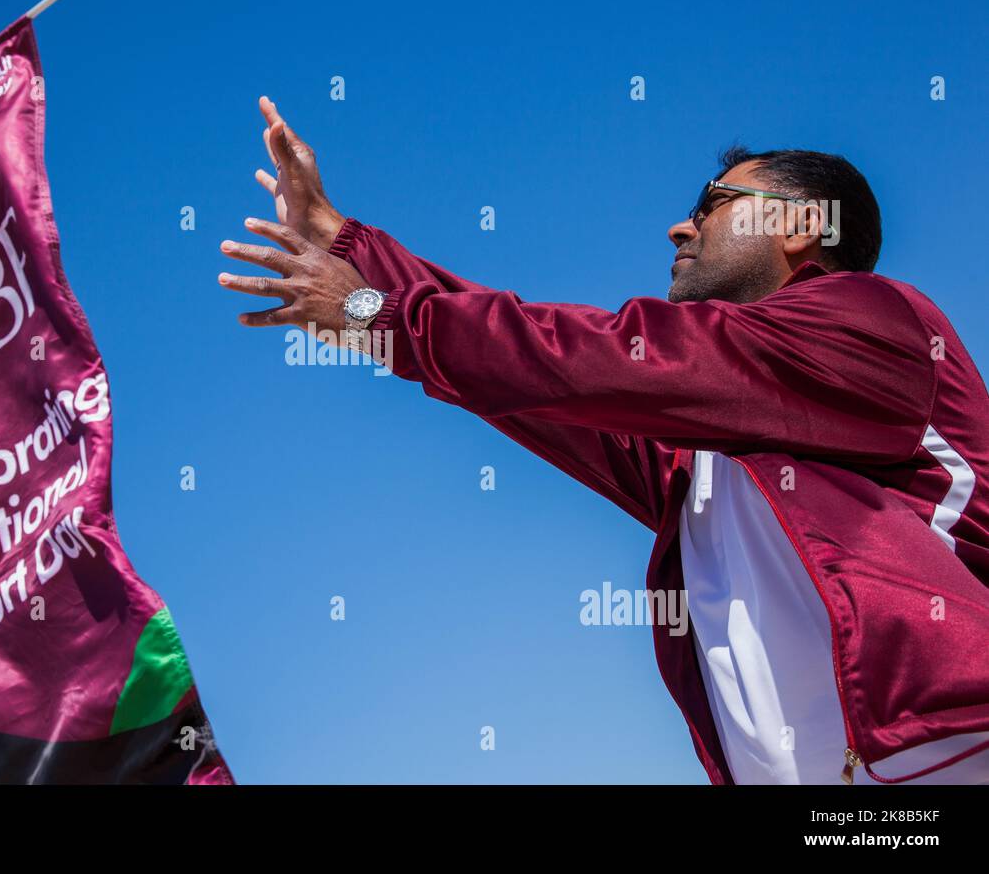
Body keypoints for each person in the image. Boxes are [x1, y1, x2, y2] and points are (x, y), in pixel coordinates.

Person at [218, 97, 989, 784]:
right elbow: (539, 383)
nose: (681, 225)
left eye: (715, 202)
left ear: (798, 226)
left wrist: (373, 315)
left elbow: (602, 355)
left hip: (951, 751)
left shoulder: (873, 321)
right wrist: (350, 245)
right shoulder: (718, 447)